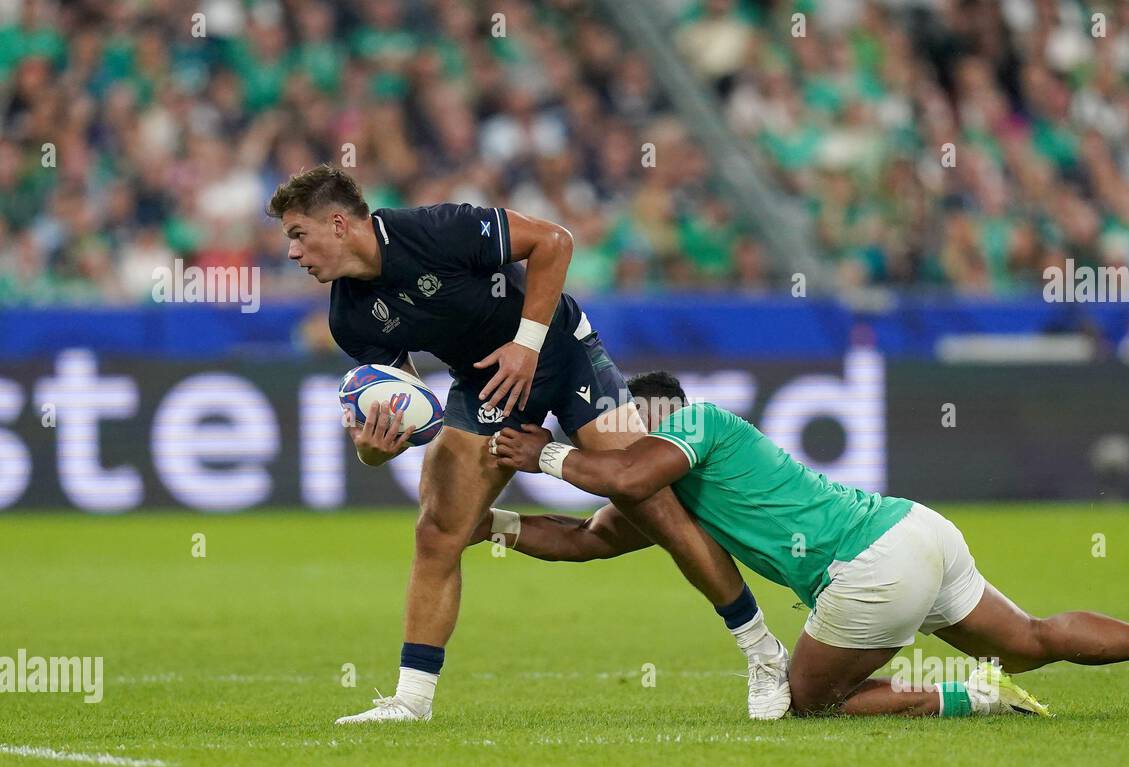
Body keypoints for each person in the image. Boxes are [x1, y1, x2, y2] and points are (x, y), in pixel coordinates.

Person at [267, 166, 789, 723]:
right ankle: (411, 701)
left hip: (562, 352)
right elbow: (410, 404)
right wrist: (376, 447)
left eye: (298, 235)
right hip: (488, 382)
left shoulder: (435, 230)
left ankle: (764, 654)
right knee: (440, 529)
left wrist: (526, 343)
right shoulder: (350, 317)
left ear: (340, 223)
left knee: (650, 501)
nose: (293, 253)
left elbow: (554, 242)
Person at [486, 371, 1129, 719]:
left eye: (628, 418)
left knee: (804, 700)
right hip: (916, 531)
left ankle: (972, 696)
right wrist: (488, 528)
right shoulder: (655, 494)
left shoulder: (698, 425)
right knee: (1028, 640)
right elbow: (585, 542)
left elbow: (620, 472)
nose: (622, 429)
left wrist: (545, 455)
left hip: (872, 567)